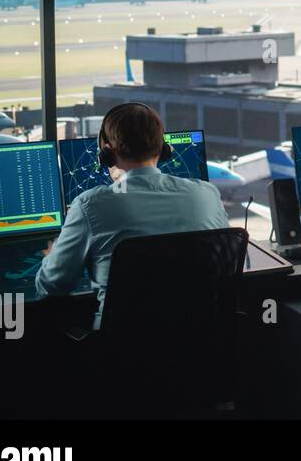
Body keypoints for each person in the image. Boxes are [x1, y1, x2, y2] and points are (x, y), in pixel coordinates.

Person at [36, 102, 230, 323]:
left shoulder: (90, 205)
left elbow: (51, 286)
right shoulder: (207, 194)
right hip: (202, 338)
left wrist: (52, 257)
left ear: (107, 153)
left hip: (124, 343)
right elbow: (224, 263)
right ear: (164, 148)